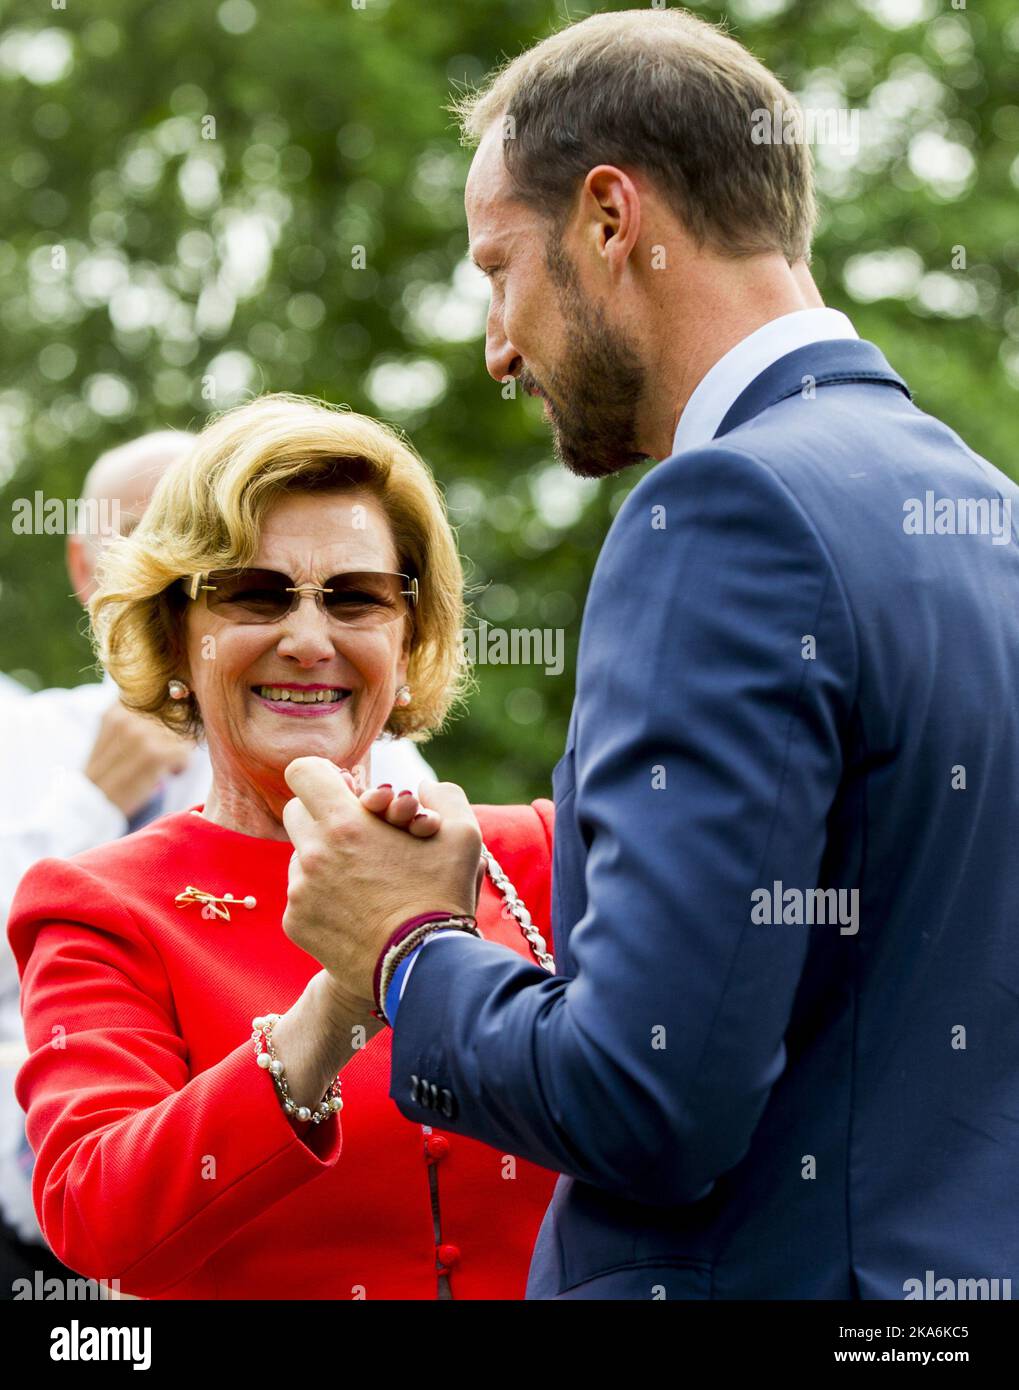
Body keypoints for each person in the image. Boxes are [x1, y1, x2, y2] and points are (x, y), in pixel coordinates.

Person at [278, 10, 1019, 1299]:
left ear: (610, 220)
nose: (497, 348)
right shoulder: (983, 514)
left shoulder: (720, 515)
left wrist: (401, 946)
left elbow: (648, 1096)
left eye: (496, 269)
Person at [6, 393, 556, 1299]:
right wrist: (343, 995)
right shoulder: (99, 904)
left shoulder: (529, 853)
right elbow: (92, 1215)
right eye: (254, 595)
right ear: (175, 633)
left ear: (407, 631)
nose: (308, 640)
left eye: (356, 598)